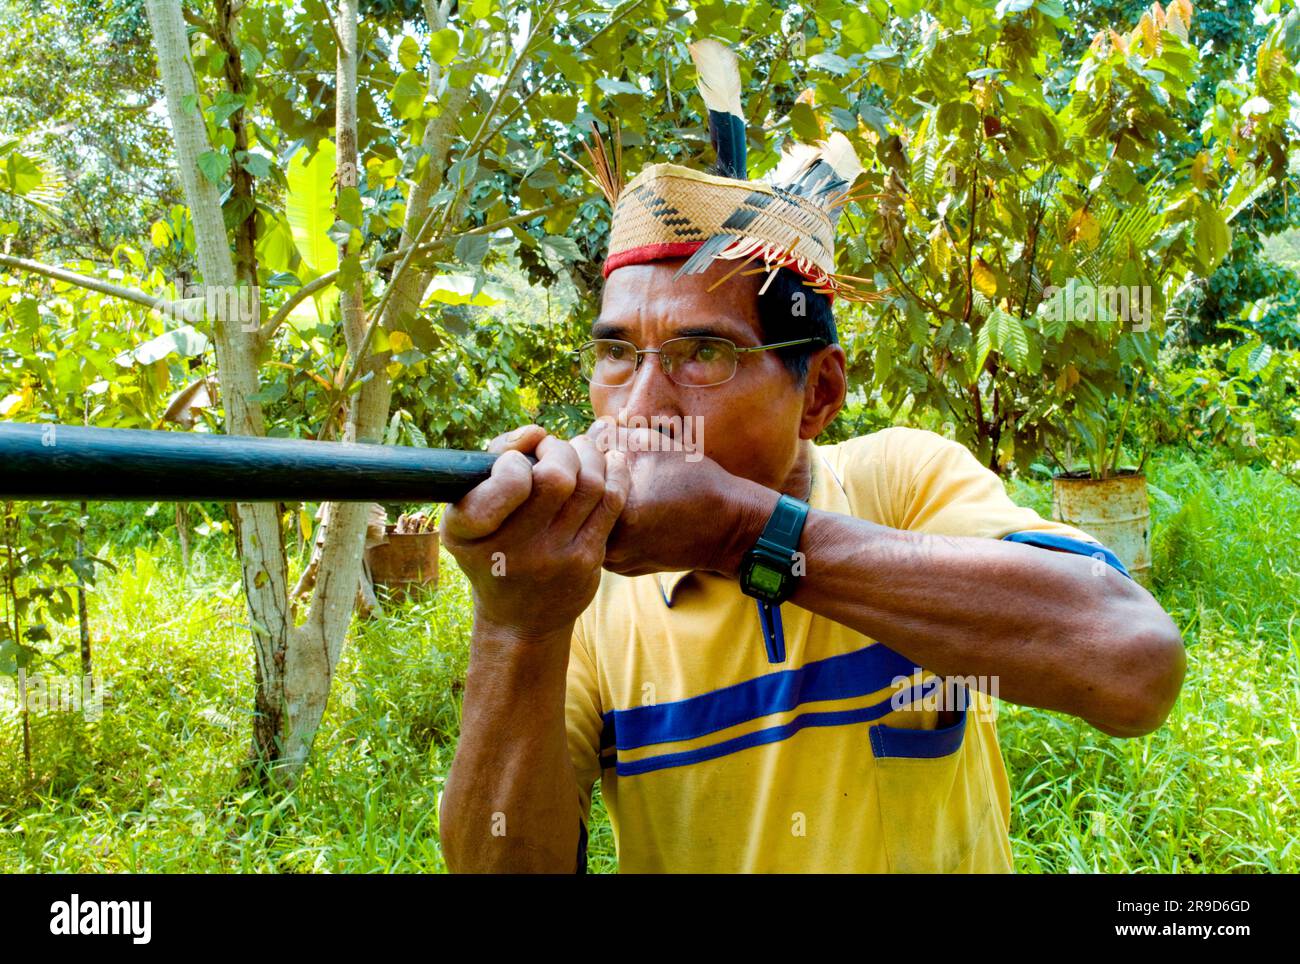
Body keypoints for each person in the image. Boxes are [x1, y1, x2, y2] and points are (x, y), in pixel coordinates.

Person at [436, 41, 1185, 874]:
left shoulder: (903, 482)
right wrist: (518, 625)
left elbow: (1133, 664)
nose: (640, 408)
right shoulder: (579, 594)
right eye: (617, 354)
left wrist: (744, 536)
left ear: (820, 395)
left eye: (703, 356)